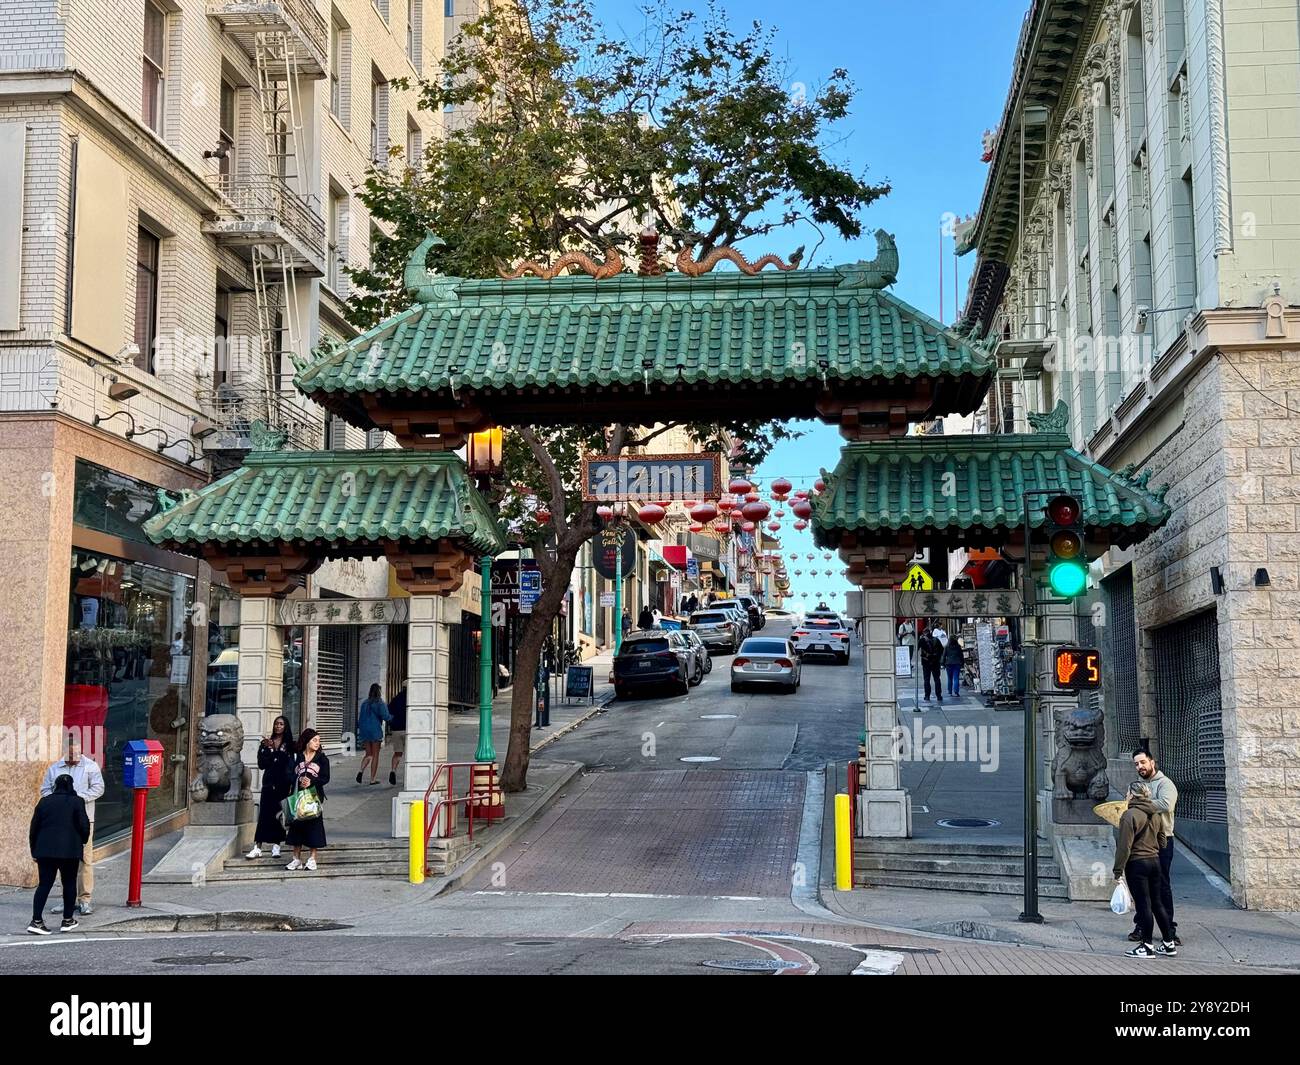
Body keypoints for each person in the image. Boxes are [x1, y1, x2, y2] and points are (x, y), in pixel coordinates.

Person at [40, 733, 104, 915]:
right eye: (70, 756)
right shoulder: (54, 769)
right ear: (64, 753)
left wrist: (78, 800)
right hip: (62, 823)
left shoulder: (90, 767)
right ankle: (66, 899)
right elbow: (45, 789)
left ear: (81, 751)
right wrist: (58, 802)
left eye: (76, 754)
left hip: (84, 820)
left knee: (85, 859)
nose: (74, 758)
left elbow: (99, 788)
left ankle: (85, 899)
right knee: (64, 860)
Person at [1114, 781, 1177, 957]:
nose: (1126, 796)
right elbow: (1163, 841)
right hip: (1155, 861)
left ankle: (1147, 946)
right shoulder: (1156, 814)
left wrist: (1118, 871)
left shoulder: (1129, 815)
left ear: (1132, 795)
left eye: (1127, 793)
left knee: (1143, 905)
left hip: (1137, 863)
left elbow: (1124, 847)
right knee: (1157, 903)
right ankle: (1168, 943)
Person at [27, 774, 91, 935]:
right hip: (69, 851)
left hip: (45, 851)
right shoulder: (77, 802)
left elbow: (33, 828)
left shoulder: (44, 802)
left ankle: (36, 921)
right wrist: (82, 842)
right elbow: (84, 825)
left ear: (55, 786)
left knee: (44, 885)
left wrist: (34, 850)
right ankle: (67, 920)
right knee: (69, 883)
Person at [1131, 749, 1180, 946]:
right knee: (1142, 888)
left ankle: (1169, 929)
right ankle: (1141, 926)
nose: (1140, 766)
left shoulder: (1165, 783)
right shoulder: (1140, 785)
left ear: (1152, 762)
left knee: (1161, 886)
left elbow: (1166, 805)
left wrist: (1140, 803)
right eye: (1136, 764)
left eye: (1143, 762)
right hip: (1142, 842)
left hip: (1163, 841)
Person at [246, 716, 295, 859]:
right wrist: (267, 749)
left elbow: (287, 764)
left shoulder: (289, 745)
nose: (278, 726)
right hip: (268, 783)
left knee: (278, 814)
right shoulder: (267, 743)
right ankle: (257, 846)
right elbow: (262, 764)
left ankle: (276, 845)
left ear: (285, 726)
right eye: (276, 724)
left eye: (281, 724)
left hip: (283, 784)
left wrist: (276, 751)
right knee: (264, 815)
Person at [286, 728, 330, 871]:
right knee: (296, 826)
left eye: (319, 740)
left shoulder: (322, 759)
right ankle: (296, 859)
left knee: (314, 826)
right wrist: (298, 780)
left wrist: (312, 781)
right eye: (314, 740)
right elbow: (288, 774)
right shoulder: (296, 757)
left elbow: (325, 778)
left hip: (314, 796)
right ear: (307, 741)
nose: (317, 743)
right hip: (298, 797)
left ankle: (312, 859)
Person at [355, 683, 391, 786]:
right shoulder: (380, 703)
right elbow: (386, 716)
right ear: (379, 692)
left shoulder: (364, 703)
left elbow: (360, 718)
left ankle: (361, 770)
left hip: (365, 731)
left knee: (368, 754)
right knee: (375, 755)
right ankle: (372, 779)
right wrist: (393, 718)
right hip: (375, 731)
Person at [388, 680, 408, 786]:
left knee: (397, 753)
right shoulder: (412, 699)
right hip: (407, 729)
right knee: (409, 754)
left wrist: (392, 722)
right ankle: (408, 775)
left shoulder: (396, 699)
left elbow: (389, 711)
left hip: (396, 729)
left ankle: (393, 770)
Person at [918, 627, 944, 705]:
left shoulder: (922, 640)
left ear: (924, 633)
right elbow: (942, 650)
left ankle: (927, 696)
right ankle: (939, 695)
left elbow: (917, 648)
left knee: (926, 679)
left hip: (926, 662)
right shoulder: (936, 640)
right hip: (935, 662)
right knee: (937, 679)